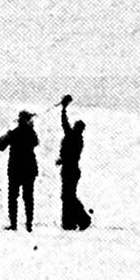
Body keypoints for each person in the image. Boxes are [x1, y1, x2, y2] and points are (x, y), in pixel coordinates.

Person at [0, 109, 40, 232]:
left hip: (15, 169)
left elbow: (0, 147)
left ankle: (13, 224)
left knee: (12, 197)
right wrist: (31, 127)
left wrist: (6, 133)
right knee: (28, 197)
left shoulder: (13, 133)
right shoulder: (31, 133)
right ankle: (29, 225)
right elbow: (36, 143)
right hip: (29, 169)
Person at [56, 95, 90, 231]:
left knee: (67, 196)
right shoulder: (77, 139)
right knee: (68, 196)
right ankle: (70, 222)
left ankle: (81, 219)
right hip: (72, 169)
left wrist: (63, 109)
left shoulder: (72, 136)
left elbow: (64, 123)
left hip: (69, 169)